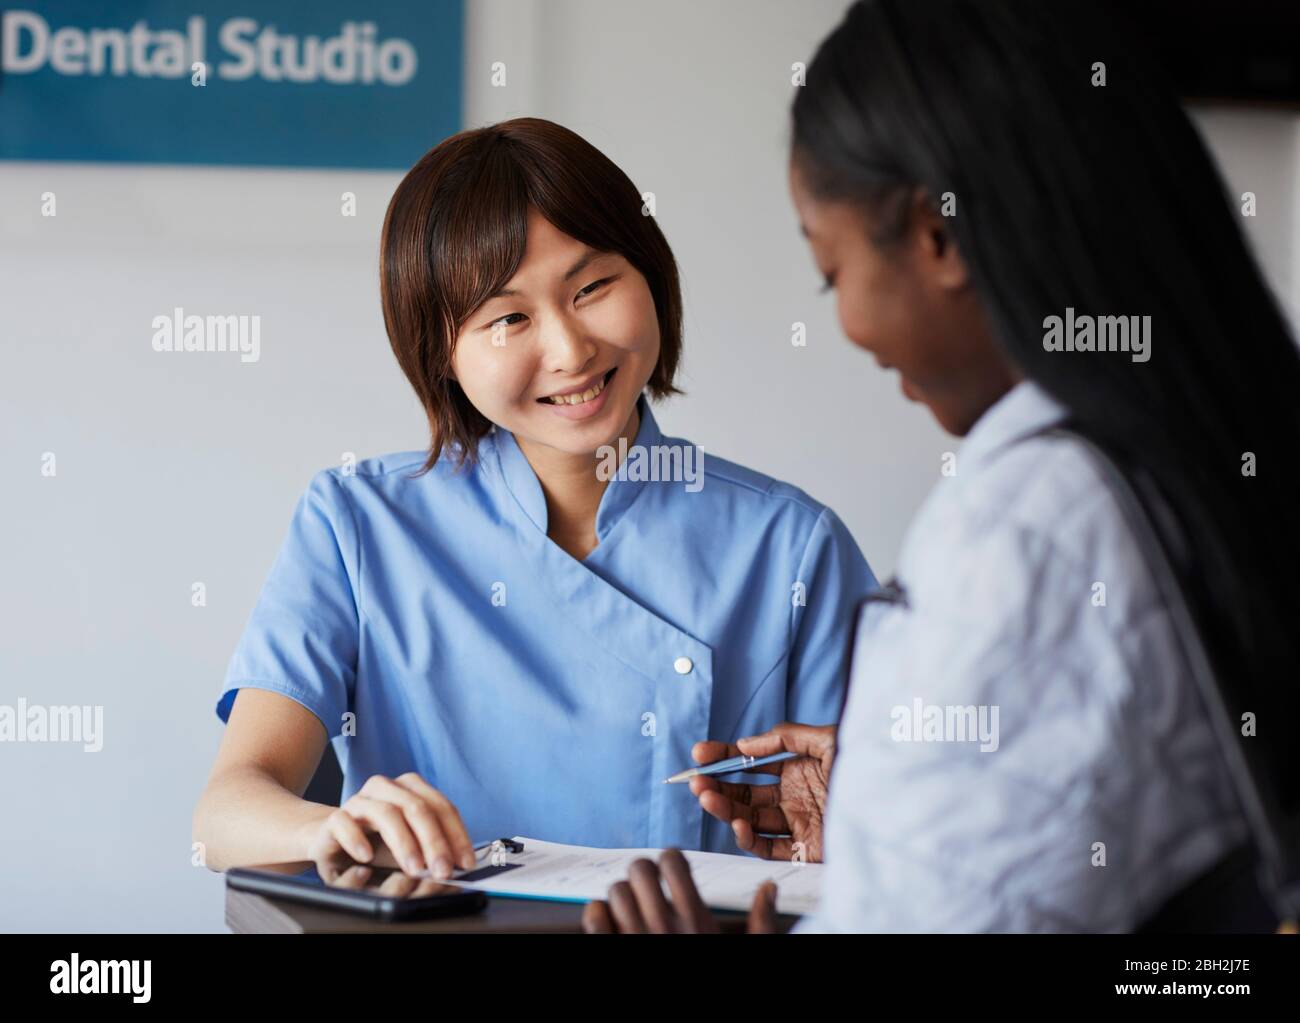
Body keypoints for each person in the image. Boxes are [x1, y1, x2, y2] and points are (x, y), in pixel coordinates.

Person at [583, 0, 1300, 933]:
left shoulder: (1029, 525)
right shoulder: (1201, 457)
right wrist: (897, 792)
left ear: (941, 236)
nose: (846, 325)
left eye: (831, 272)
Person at [192, 118, 875, 883]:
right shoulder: (357, 523)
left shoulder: (793, 545)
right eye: (509, 317)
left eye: (593, 288)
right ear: (440, 353)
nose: (571, 349)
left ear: (650, 276)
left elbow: (881, 822)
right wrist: (341, 826)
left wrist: (860, 826)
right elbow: (226, 810)